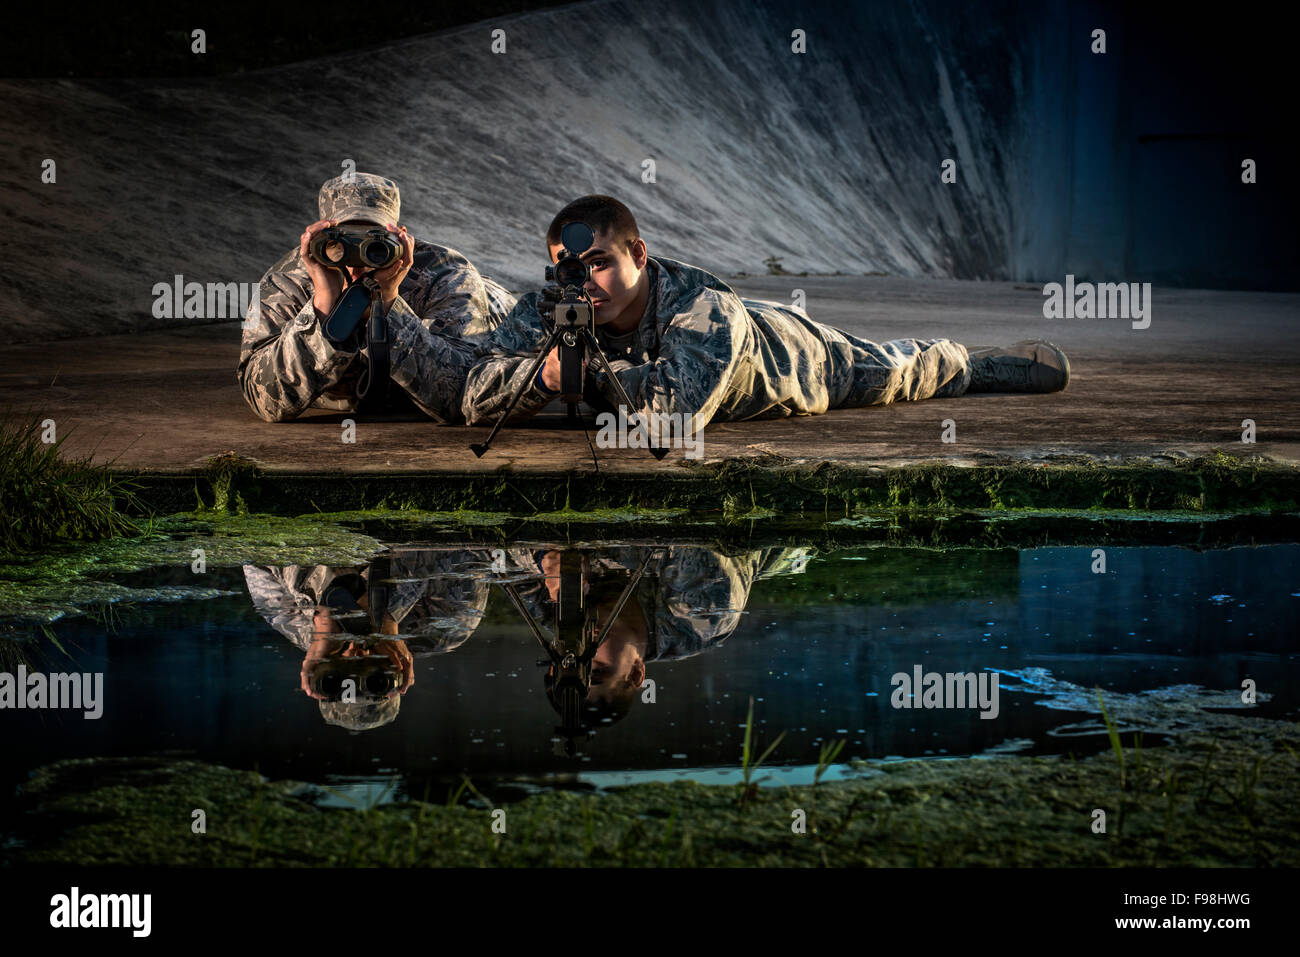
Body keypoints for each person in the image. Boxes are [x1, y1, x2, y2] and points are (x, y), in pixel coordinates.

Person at [461, 195, 1068, 429]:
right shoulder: (556, 305)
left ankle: (974, 364)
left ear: (638, 253)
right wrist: (538, 378)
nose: (584, 284)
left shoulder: (705, 306)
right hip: (713, 348)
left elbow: (673, 415)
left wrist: (584, 379)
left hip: (782, 354)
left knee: (891, 375)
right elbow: (473, 391)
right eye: (569, 270)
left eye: (597, 264)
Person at [240, 172, 515, 423]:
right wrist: (323, 305)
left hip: (497, 308)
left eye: (375, 246)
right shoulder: (288, 279)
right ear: (319, 239)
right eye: (341, 244)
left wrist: (388, 304)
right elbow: (263, 397)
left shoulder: (446, 274)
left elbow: (466, 394)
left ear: (401, 239)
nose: (357, 264)